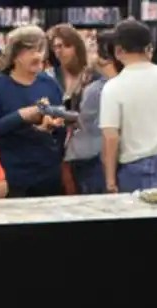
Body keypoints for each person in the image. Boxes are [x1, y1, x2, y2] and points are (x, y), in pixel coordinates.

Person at [0, 26, 67, 198]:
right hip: (12, 176)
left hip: (47, 175)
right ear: (16, 55)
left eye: (40, 50)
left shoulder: (49, 84)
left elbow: (60, 125)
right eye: (30, 50)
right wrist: (20, 116)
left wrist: (53, 125)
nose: (37, 56)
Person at [100, 19, 157, 193]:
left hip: (136, 168)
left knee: (139, 219)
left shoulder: (113, 88)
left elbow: (111, 137)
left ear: (118, 51)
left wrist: (110, 181)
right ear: (149, 49)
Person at [65, 31, 121, 194]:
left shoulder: (97, 89)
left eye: (92, 49)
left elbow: (86, 121)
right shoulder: (99, 82)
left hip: (90, 157)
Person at [47, 23, 89, 193]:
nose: (60, 51)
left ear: (77, 47)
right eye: (56, 46)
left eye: (66, 46)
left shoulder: (88, 74)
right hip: (57, 143)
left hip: (85, 144)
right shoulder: (50, 76)